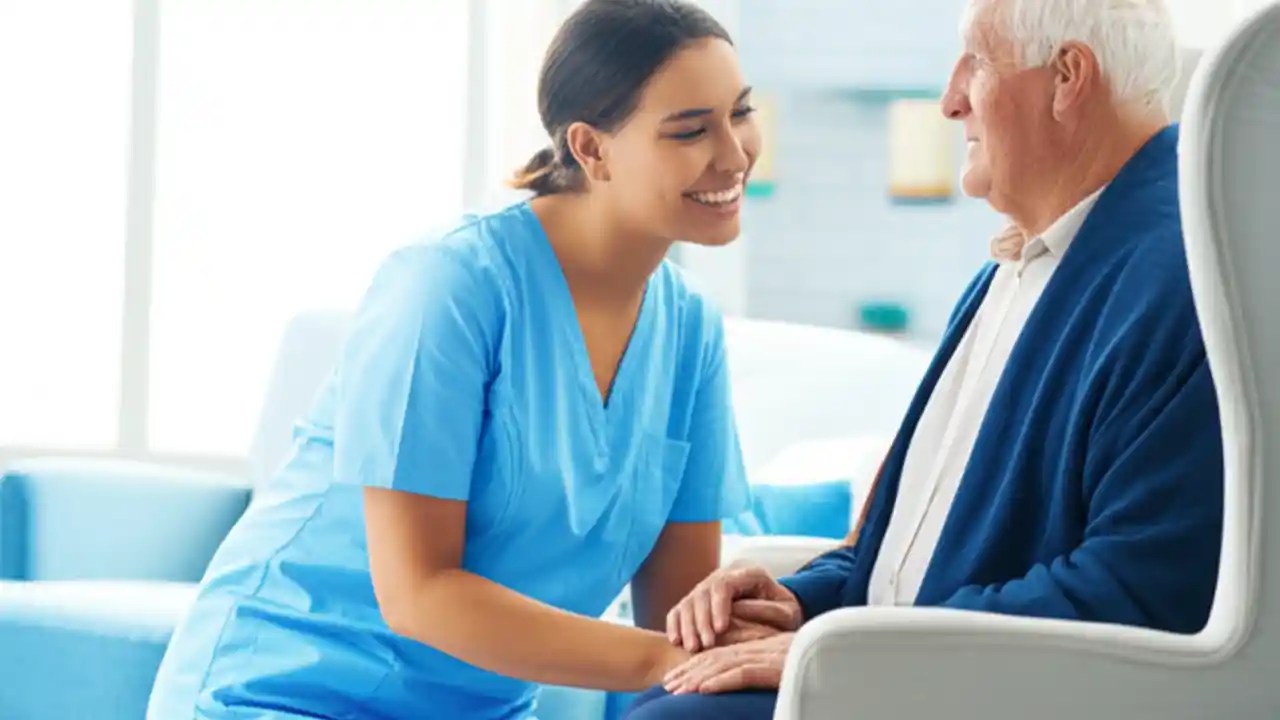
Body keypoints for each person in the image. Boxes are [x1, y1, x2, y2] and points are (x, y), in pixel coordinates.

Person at [146, 1, 762, 717]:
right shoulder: (449, 284)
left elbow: (681, 619)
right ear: (591, 149)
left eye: (740, 114)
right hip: (280, 691)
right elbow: (419, 592)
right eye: (690, 130)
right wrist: (667, 658)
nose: (734, 152)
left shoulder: (690, 333)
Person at [626, 0, 1224, 717]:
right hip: (895, 660)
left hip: (958, 688)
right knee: (672, 689)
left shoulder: (1185, 276)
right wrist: (794, 602)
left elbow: (1139, 587)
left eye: (976, 63)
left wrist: (855, 648)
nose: (949, 101)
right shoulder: (1011, 270)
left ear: (1067, 78)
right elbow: (901, 556)